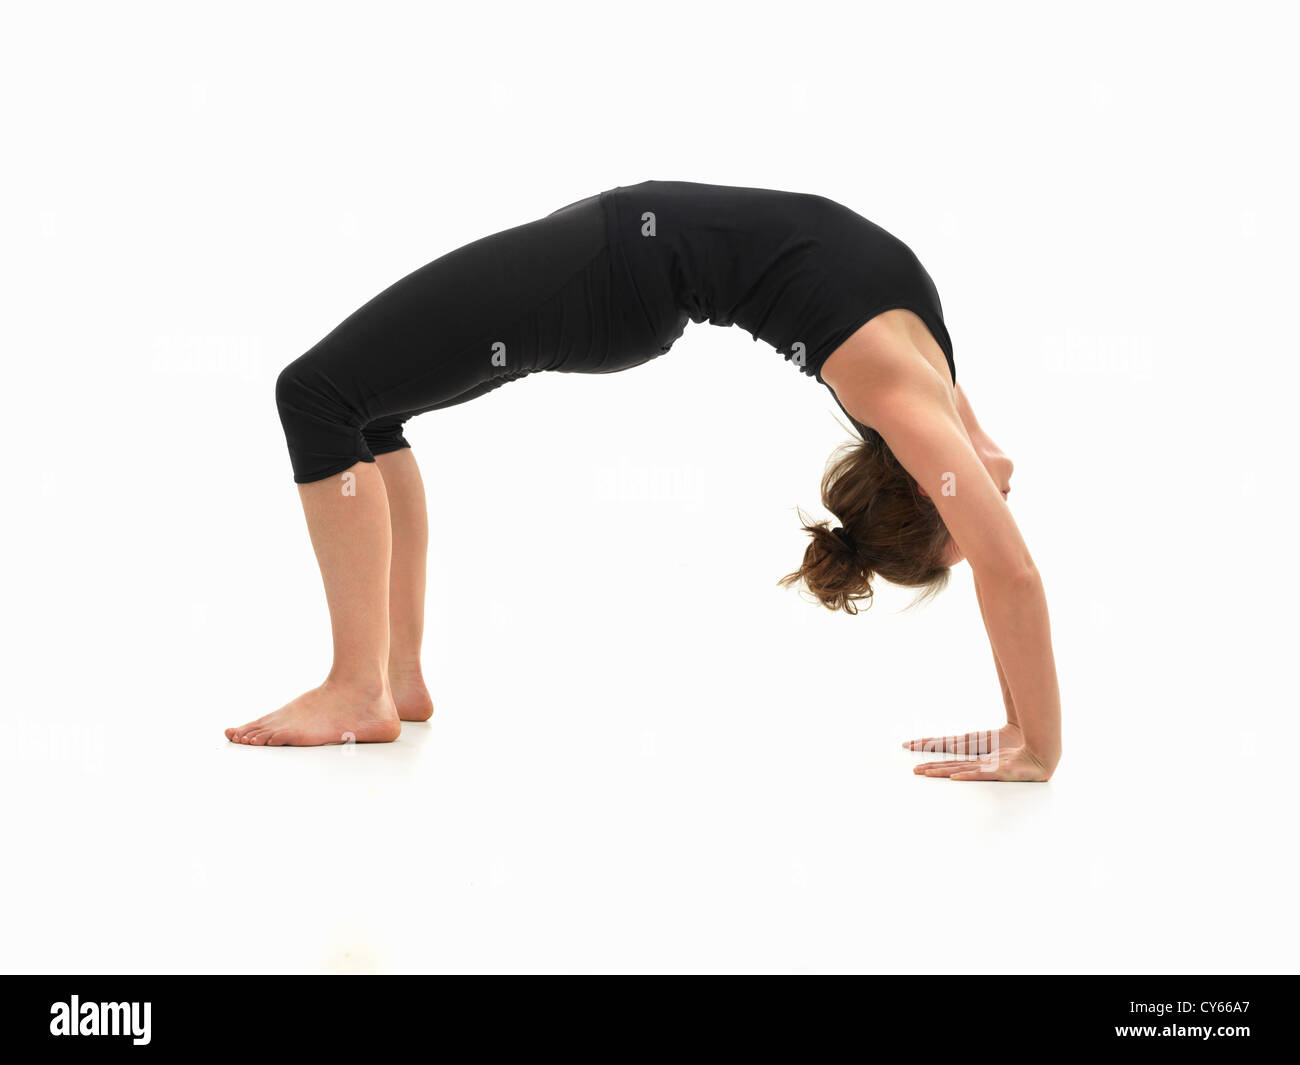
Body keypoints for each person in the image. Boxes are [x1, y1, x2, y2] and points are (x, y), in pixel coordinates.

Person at [227, 180, 1060, 781]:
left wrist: (1039, 746)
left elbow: (1010, 573)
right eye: (970, 527)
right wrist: (1019, 723)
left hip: (611, 275)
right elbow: (998, 557)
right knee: (366, 413)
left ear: (923, 484)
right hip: (614, 261)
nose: (991, 512)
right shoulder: (934, 384)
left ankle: (353, 687)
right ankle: (393, 678)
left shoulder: (902, 394)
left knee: (316, 395)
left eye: (963, 527)